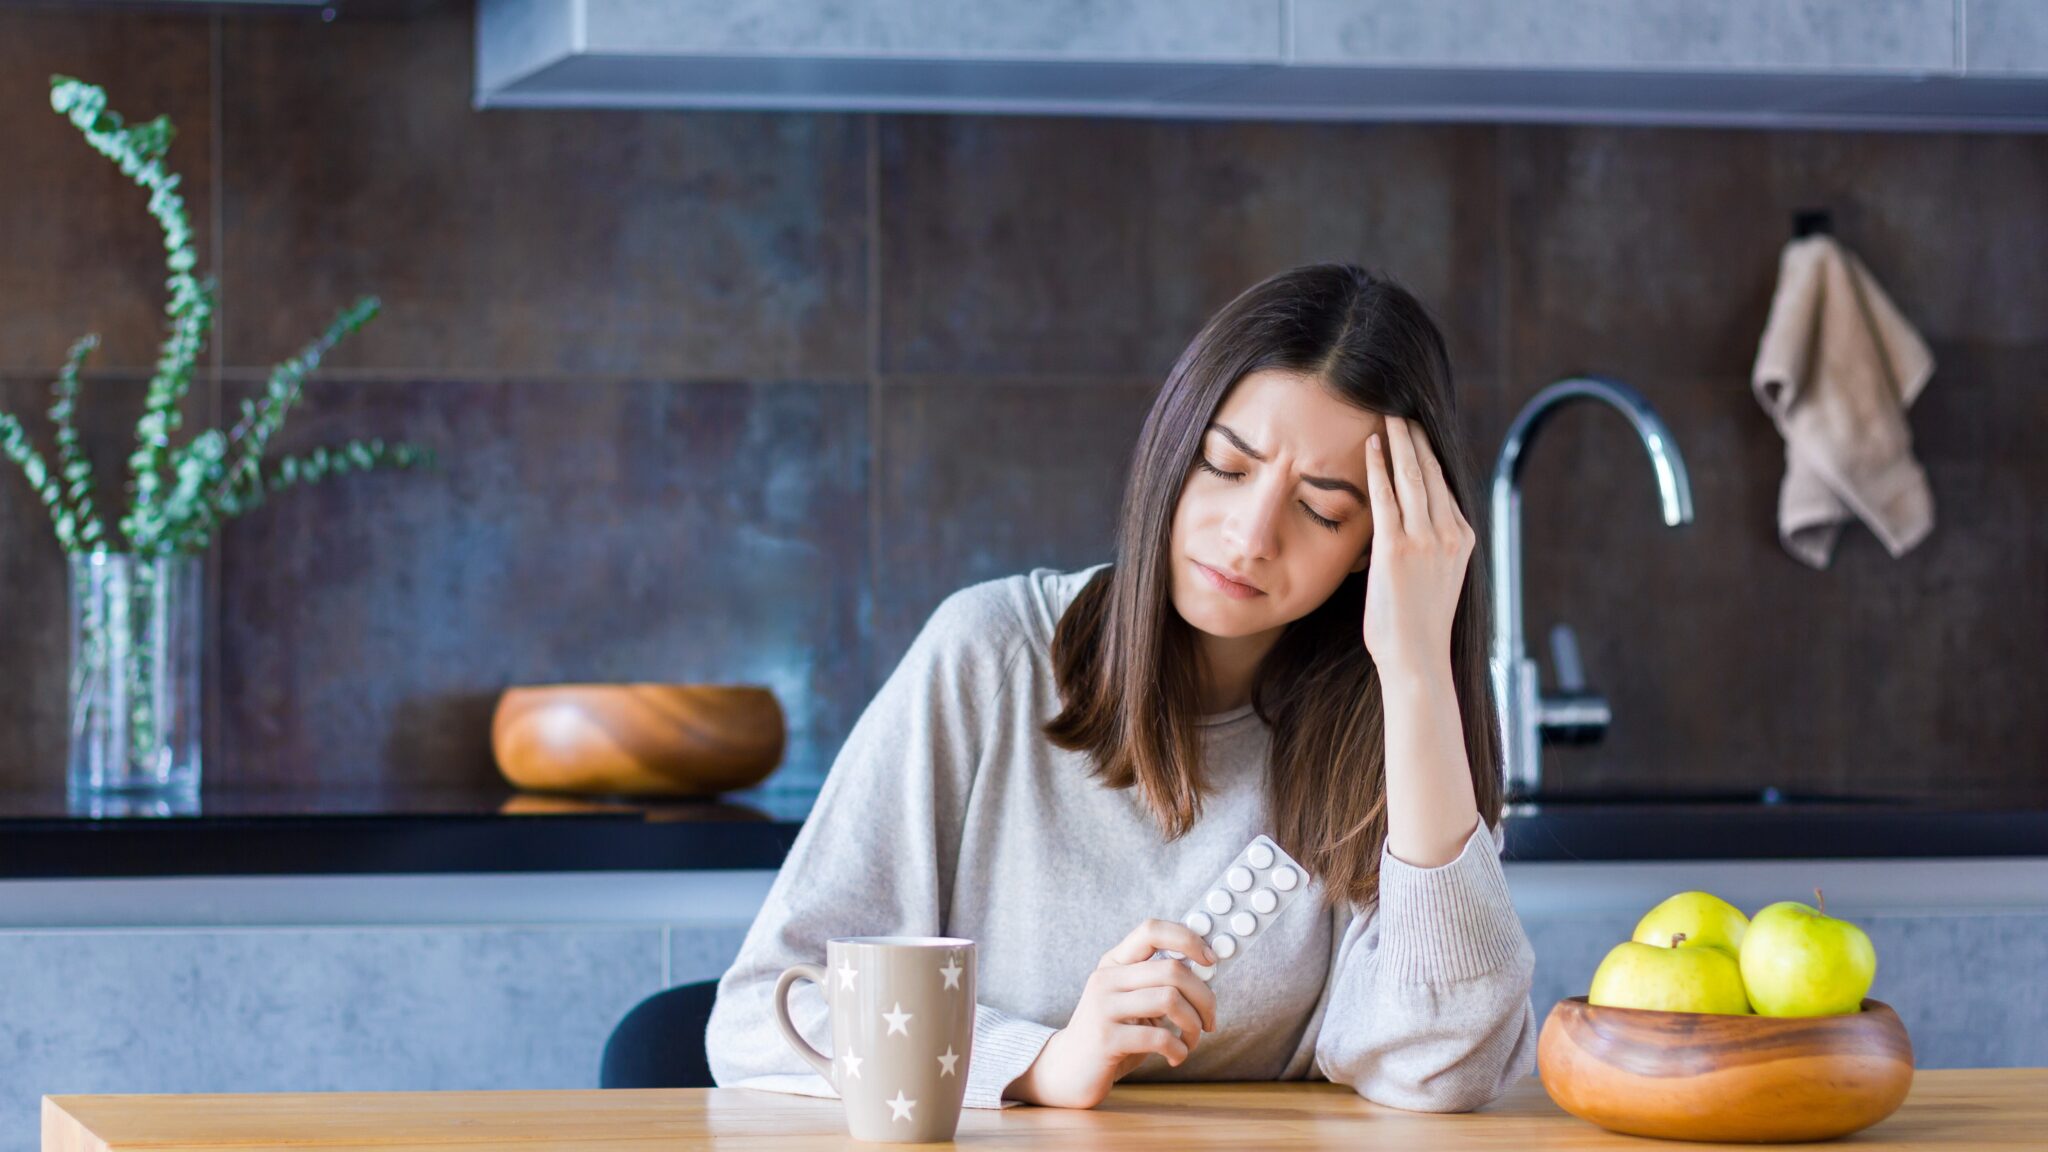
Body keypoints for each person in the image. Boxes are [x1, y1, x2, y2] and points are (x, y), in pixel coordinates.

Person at [705, 262, 1537, 1112]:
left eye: (1321, 510)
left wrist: (1418, 673)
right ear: (1173, 450)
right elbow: (762, 1012)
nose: (1250, 536)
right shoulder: (990, 655)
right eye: (1224, 465)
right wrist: (1044, 1064)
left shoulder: (1400, 727)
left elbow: (1442, 1067)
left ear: (1378, 544)